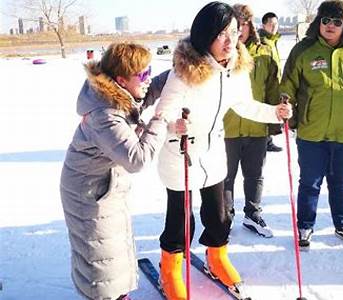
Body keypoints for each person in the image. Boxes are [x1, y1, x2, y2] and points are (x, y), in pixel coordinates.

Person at [154, 2, 292, 299]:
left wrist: (274, 113)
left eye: (234, 32)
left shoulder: (236, 70)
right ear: (205, 35)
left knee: (219, 215)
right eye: (222, 34)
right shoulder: (184, 72)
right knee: (180, 220)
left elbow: (244, 105)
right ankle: (170, 269)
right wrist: (174, 126)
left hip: (213, 153)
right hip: (182, 155)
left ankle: (216, 257)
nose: (231, 41)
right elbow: (161, 115)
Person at [59, 42, 169, 300]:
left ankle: (117, 295)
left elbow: (148, 92)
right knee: (100, 256)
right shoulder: (105, 114)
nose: (148, 78)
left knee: (112, 250)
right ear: (121, 79)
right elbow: (137, 159)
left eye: (149, 70)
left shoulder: (117, 94)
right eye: (142, 74)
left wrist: (177, 70)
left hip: (102, 185)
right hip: (86, 192)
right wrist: (160, 121)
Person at [280, 0, 343, 250]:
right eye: (326, 20)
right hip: (311, 130)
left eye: (337, 21)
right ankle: (305, 225)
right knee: (310, 182)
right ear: (318, 22)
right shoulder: (303, 50)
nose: (330, 26)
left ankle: (342, 223)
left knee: (340, 180)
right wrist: (290, 119)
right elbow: (287, 86)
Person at [223, 4, 280, 238]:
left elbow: (273, 86)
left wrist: (274, 123)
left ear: (249, 25)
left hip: (257, 126)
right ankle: (224, 218)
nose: (239, 30)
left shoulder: (265, 52)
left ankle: (252, 214)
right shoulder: (221, 52)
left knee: (255, 173)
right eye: (234, 26)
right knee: (225, 176)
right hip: (226, 128)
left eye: (243, 24)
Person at [259, 11, 283, 152]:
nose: (273, 27)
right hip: (266, 84)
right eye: (270, 24)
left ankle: (268, 140)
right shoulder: (262, 41)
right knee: (264, 112)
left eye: (275, 24)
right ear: (264, 25)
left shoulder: (273, 41)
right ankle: (263, 142)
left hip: (274, 83)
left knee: (271, 112)